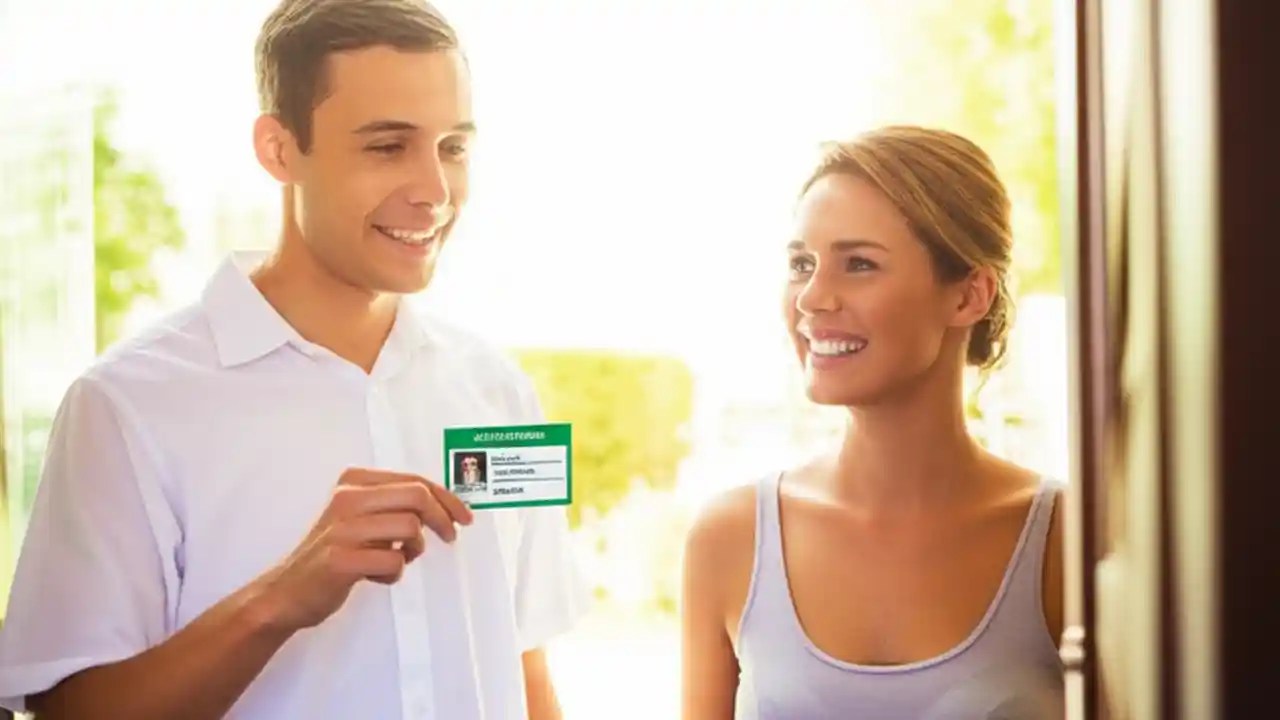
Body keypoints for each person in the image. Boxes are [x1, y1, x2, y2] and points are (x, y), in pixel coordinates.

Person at [0, 1, 587, 718]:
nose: (434, 191)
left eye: (453, 148)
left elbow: (523, 666)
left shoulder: (496, 390)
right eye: (387, 146)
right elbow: (72, 713)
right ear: (279, 150)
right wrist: (281, 598)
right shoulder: (126, 407)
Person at [680, 126, 1065, 719]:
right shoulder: (730, 539)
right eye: (802, 264)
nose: (813, 298)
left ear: (969, 296)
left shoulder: (1063, 540)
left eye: (858, 264)